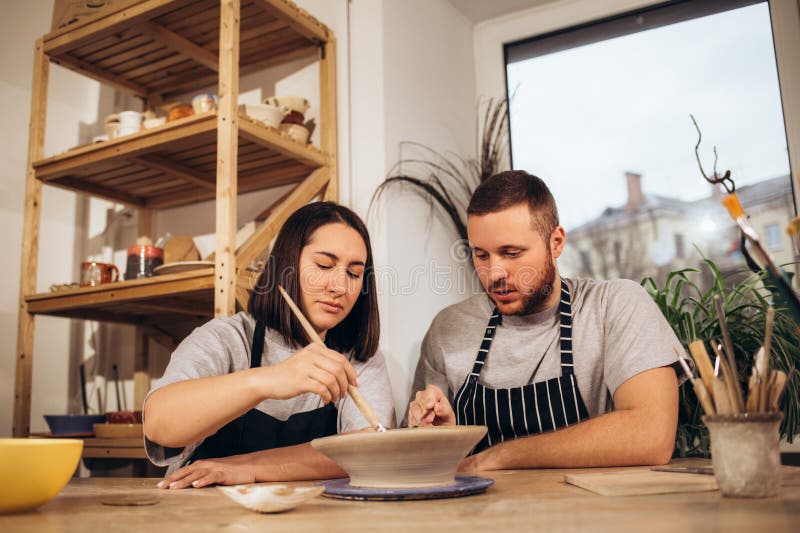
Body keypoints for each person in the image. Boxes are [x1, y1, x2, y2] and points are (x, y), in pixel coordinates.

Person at [407, 170, 682, 470]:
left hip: (587, 501)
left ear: (556, 243)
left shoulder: (613, 307)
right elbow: (422, 464)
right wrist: (444, 442)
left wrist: (499, 456)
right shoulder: (448, 329)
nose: (494, 274)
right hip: (482, 501)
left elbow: (650, 435)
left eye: (512, 253)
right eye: (481, 255)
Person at [144, 202, 394, 489]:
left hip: (313, 512)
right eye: (324, 266)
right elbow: (159, 424)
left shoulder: (359, 355)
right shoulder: (228, 338)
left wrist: (248, 467)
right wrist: (268, 380)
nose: (339, 286)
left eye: (354, 273)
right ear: (287, 266)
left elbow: (370, 448)